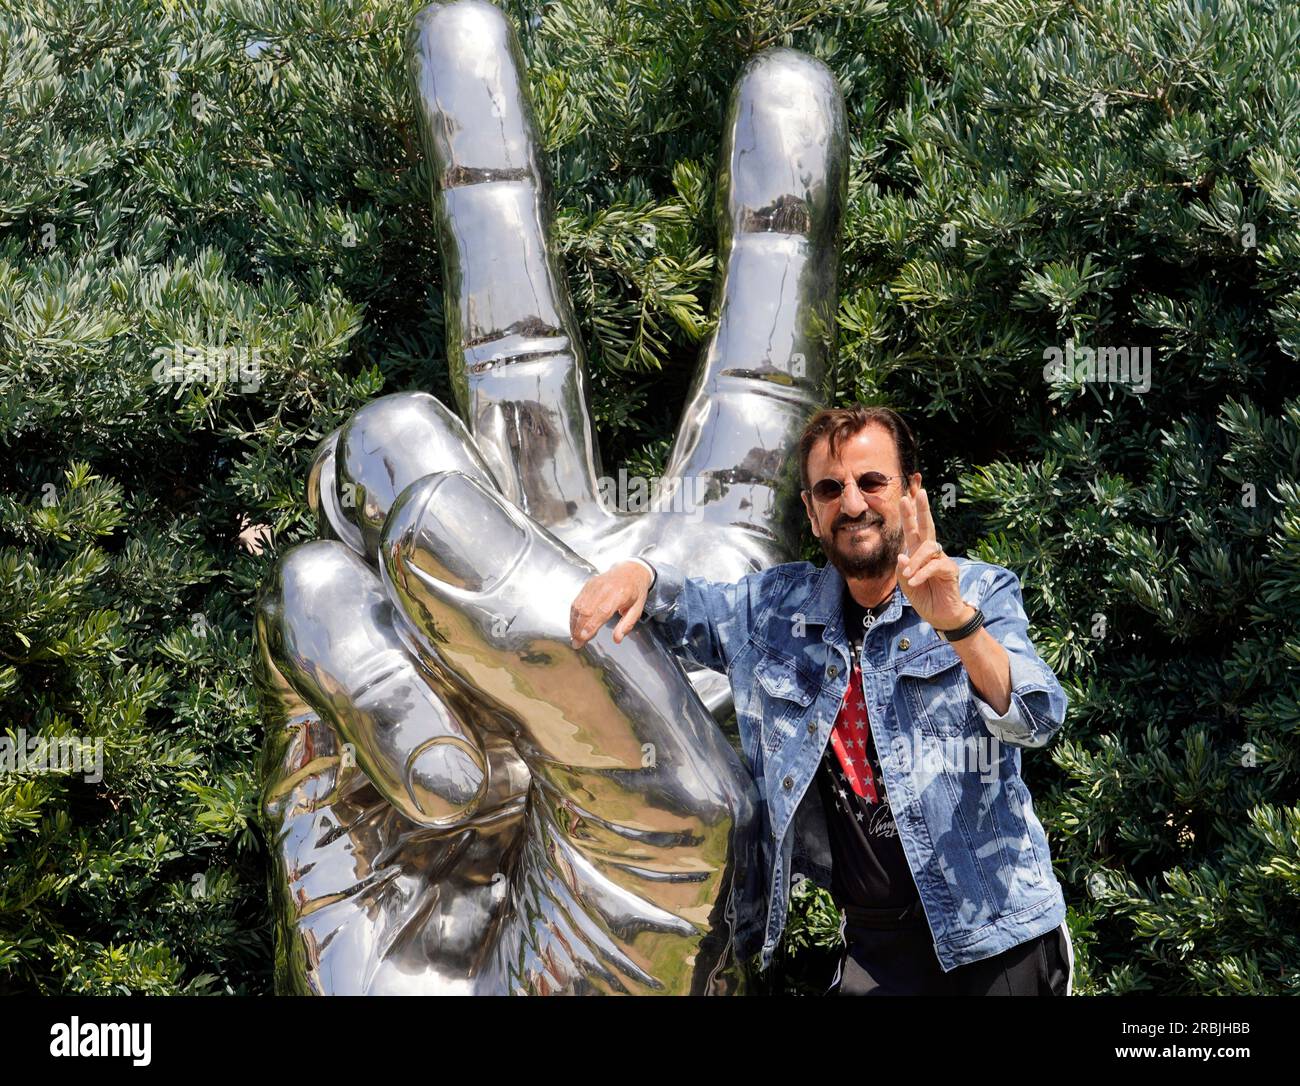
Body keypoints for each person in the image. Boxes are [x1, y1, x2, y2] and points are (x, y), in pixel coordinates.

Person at [569, 405, 1075, 995]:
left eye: (872, 482)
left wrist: (957, 624)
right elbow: (686, 606)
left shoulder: (978, 590)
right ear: (811, 512)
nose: (853, 504)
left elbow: (1036, 719)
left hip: (997, 940)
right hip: (875, 948)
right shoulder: (774, 614)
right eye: (830, 489)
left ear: (912, 492)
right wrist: (636, 573)